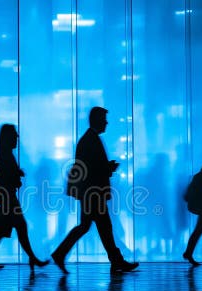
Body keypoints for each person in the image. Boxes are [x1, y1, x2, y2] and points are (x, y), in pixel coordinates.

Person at [51, 107, 139, 276]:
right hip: (93, 193)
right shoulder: (91, 140)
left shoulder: (89, 139)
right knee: (102, 227)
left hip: (90, 193)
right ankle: (115, 261)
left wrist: (106, 168)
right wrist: (108, 168)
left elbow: (87, 167)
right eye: (104, 119)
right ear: (97, 120)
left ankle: (62, 254)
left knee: (94, 226)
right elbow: (92, 169)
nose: (106, 122)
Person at [0, 124, 49, 271]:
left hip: (7, 197)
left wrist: (14, 174)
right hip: (8, 198)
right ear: (8, 138)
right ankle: (33, 259)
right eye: (15, 135)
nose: (17, 138)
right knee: (20, 227)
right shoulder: (6, 154)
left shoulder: (6, 153)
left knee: (4, 229)